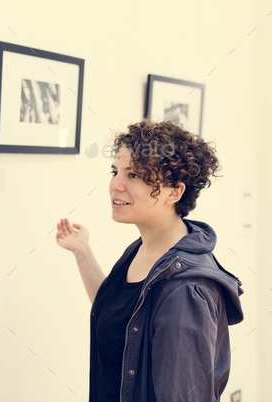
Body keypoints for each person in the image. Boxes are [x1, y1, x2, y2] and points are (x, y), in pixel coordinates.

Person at [56, 120, 243, 402]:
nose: (115, 185)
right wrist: (82, 251)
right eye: (115, 171)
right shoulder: (142, 249)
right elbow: (120, 314)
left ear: (174, 192)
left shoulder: (184, 291)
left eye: (134, 175)